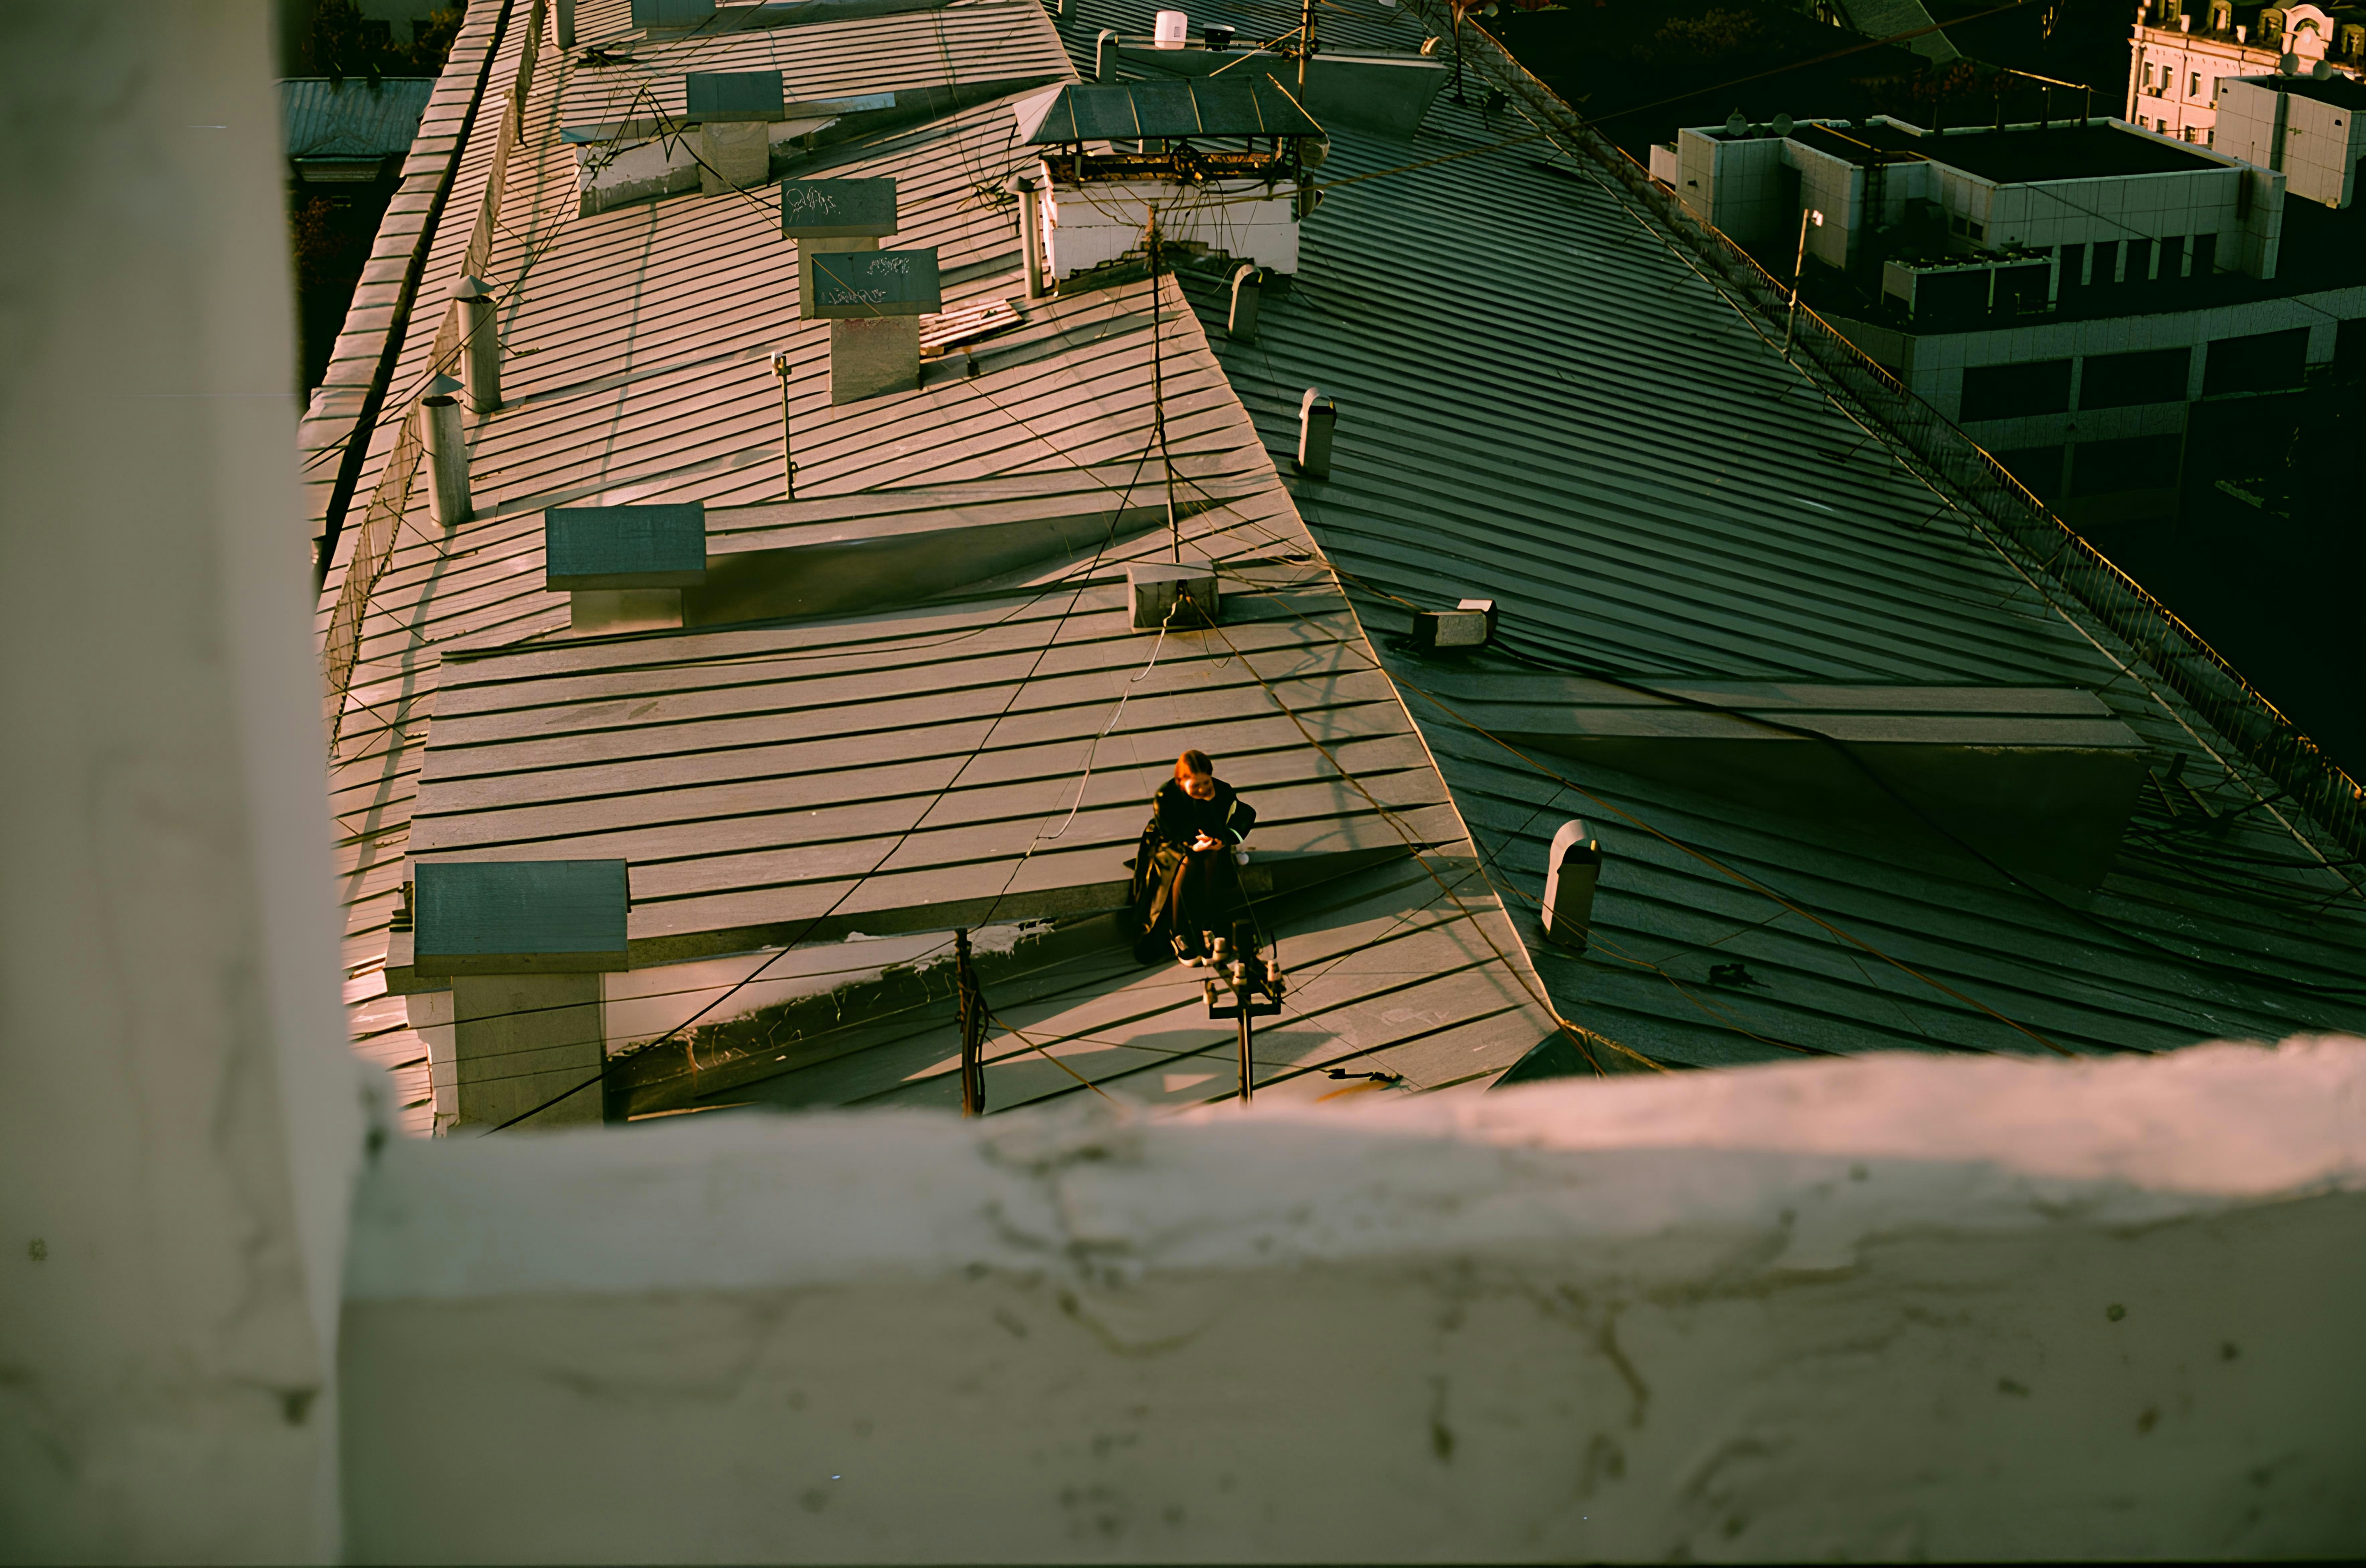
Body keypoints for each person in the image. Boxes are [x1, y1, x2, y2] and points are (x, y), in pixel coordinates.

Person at [1128, 749, 1254, 965]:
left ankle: (1207, 925)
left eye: (1207, 783)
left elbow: (1241, 816)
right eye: (1196, 785)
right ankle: (1178, 932)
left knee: (1211, 861)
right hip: (1171, 846)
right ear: (1181, 781)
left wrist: (1222, 840)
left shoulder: (1223, 791)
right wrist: (1193, 845)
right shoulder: (1167, 796)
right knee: (1191, 862)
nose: (1203, 789)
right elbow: (1170, 831)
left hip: (1211, 844)